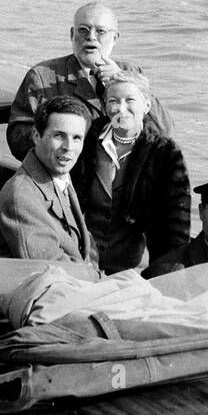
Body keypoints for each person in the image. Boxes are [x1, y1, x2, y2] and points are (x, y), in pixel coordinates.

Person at [7, 1, 172, 159]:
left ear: (115, 38)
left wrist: (121, 82)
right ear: (72, 34)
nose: (91, 37)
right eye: (83, 30)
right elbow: (18, 140)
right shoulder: (42, 76)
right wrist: (65, 136)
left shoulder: (131, 72)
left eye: (100, 31)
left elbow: (164, 131)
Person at [71, 72, 190, 275]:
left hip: (136, 271)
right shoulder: (84, 141)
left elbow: (177, 228)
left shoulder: (165, 152)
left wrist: (162, 275)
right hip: (82, 263)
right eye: (113, 101)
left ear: (146, 106)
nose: (121, 108)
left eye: (130, 100)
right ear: (105, 106)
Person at [0, 95, 97, 270]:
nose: (68, 147)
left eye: (77, 138)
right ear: (36, 135)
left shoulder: (60, 178)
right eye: (58, 135)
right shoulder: (21, 198)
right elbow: (53, 274)